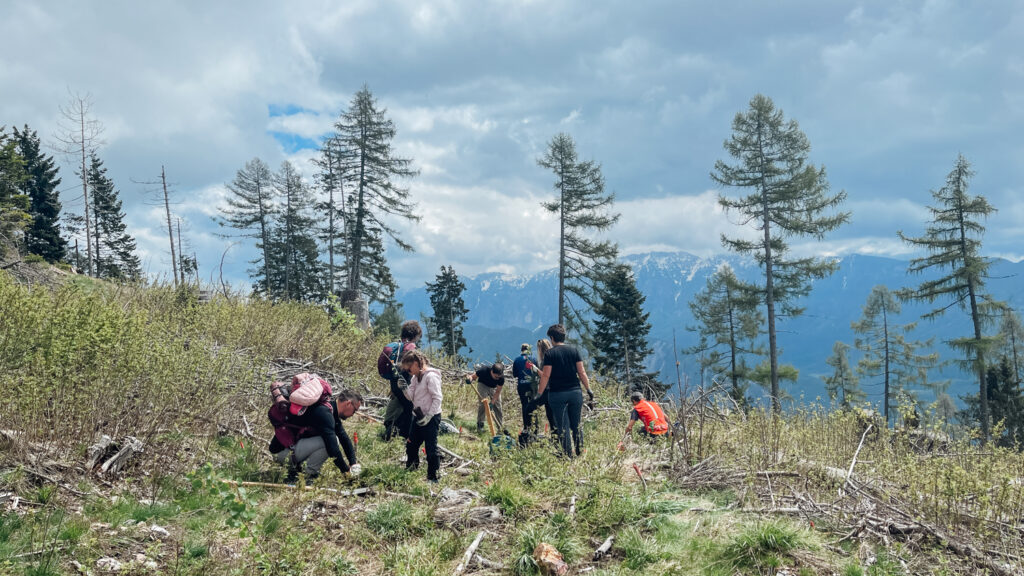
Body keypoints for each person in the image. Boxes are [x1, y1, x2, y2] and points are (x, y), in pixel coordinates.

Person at [270, 389, 363, 484]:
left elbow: (344, 438)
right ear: (348, 404)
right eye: (354, 410)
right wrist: (346, 472)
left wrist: (353, 463)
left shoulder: (329, 409)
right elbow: (333, 449)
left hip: (288, 449)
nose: (353, 414)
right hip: (282, 453)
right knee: (332, 441)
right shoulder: (324, 413)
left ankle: (299, 470)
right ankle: (307, 474)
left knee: (336, 439)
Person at [536, 324, 594, 458]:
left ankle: (568, 455)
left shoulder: (550, 354)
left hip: (557, 394)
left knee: (563, 426)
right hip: (575, 392)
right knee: (576, 423)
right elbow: (582, 372)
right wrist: (588, 389)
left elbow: (546, 375)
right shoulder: (574, 350)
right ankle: (580, 451)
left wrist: (539, 393)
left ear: (552, 338)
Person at [401, 350, 443, 483]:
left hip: (431, 417)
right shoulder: (414, 378)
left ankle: (433, 477)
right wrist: (403, 388)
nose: (408, 372)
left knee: (431, 447)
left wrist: (429, 416)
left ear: (415, 363)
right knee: (411, 444)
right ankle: (412, 467)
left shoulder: (431, 377)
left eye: (409, 369)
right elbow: (411, 397)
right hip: (418, 415)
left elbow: (437, 398)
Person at [380, 320, 422, 441]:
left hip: (395, 385)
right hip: (406, 385)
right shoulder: (411, 348)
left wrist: (394, 388)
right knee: (410, 410)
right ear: (415, 335)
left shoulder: (397, 346)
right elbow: (410, 370)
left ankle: (391, 432)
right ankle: (404, 436)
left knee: (399, 409)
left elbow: (394, 370)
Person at [466, 361, 506, 433]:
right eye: (496, 376)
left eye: (498, 377)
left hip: (493, 388)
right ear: (492, 372)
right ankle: (480, 425)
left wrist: (492, 403)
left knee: (498, 406)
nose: (497, 378)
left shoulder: (501, 378)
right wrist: (469, 379)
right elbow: (473, 377)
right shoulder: (483, 370)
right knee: (483, 404)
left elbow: (498, 392)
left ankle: (500, 427)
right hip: (483, 385)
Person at [512, 343, 540, 436]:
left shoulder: (517, 360)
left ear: (521, 350)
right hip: (532, 385)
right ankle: (535, 427)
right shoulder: (534, 359)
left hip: (522, 385)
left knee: (525, 405)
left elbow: (515, 374)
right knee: (534, 405)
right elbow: (537, 372)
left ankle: (526, 427)